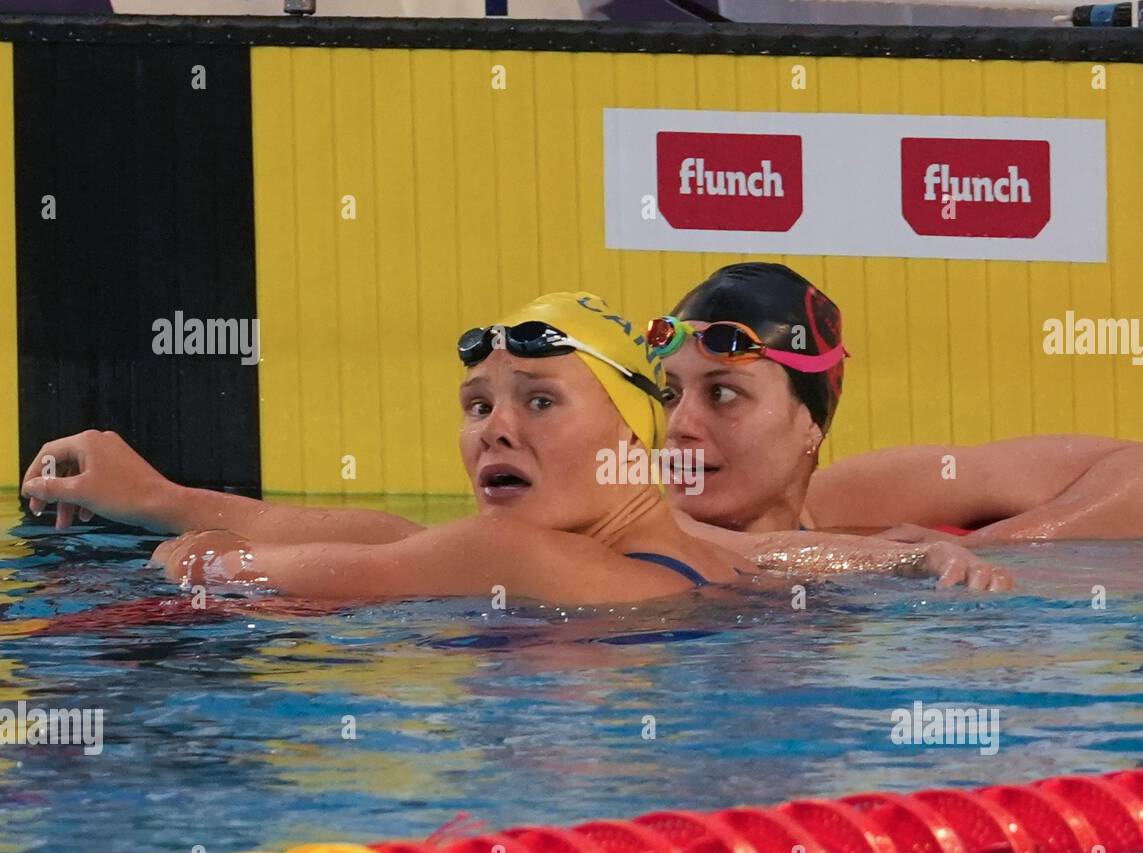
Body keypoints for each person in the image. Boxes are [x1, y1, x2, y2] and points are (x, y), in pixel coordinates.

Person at [20, 292, 1011, 601]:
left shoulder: (507, 553)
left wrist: (184, 552)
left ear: (634, 435)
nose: (492, 427)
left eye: (538, 402)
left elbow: (233, 579)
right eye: (477, 404)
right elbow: (394, 535)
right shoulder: (717, 558)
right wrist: (929, 554)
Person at [654, 262, 1143, 547]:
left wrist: (991, 548)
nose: (680, 426)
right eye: (671, 393)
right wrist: (901, 562)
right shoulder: (627, 540)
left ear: (812, 422)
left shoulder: (845, 504)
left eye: (723, 393)